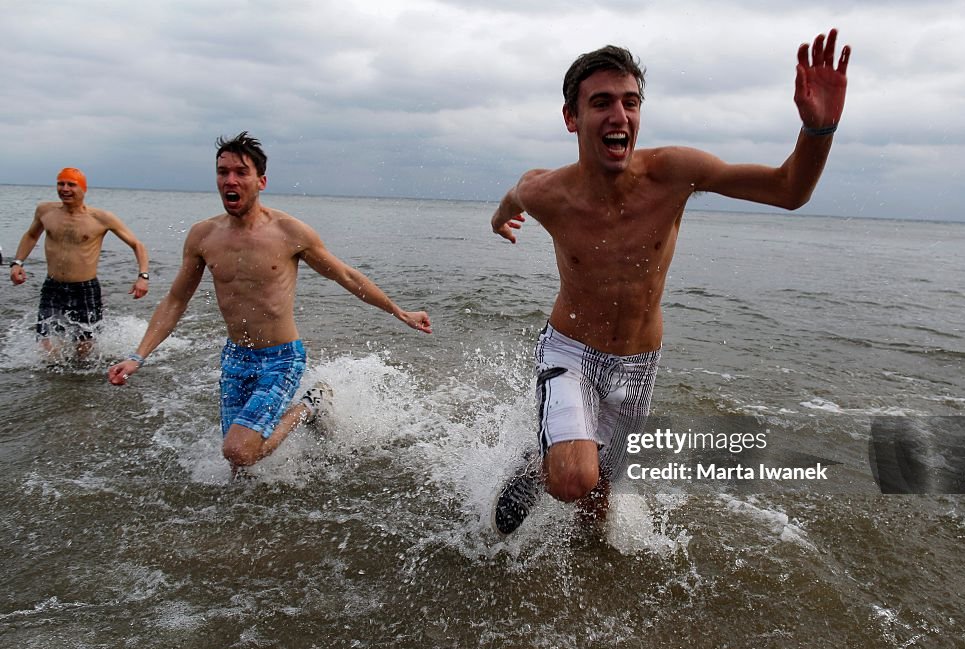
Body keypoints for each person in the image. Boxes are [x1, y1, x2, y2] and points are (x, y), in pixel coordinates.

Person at [490, 30, 851, 535]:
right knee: (573, 477)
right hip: (569, 351)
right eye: (601, 103)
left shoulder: (674, 173)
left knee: (597, 509)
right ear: (572, 118)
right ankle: (543, 464)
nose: (619, 116)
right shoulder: (547, 191)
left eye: (630, 102)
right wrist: (499, 220)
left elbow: (789, 191)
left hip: (640, 365)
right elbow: (512, 199)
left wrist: (819, 131)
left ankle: (592, 569)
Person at [107, 132, 432, 474]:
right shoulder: (203, 236)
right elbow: (176, 299)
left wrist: (399, 311)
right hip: (235, 357)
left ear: (260, 181)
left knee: (238, 450)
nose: (230, 180)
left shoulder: (290, 233)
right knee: (240, 469)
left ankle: (309, 405)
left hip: (281, 358)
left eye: (240, 172)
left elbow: (345, 276)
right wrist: (137, 356)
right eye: (222, 172)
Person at [9, 167, 150, 358]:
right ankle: (53, 379)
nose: (65, 189)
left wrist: (143, 276)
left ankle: (80, 382)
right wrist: (17, 262)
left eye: (71, 184)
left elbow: (137, 244)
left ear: (83, 189)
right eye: (61, 183)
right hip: (53, 286)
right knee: (46, 342)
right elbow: (31, 235)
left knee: (84, 349)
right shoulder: (45, 211)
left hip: (85, 288)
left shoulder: (101, 218)